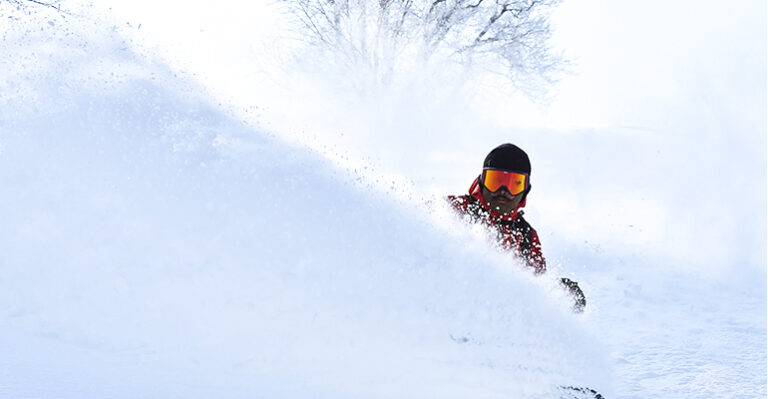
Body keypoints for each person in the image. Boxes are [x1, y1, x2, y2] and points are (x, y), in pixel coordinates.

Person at [447, 143, 586, 312]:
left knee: (569, 293)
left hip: (494, 316)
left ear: (525, 191)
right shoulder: (456, 209)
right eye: (495, 181)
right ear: (482, 181)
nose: (503, 191)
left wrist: (558, 293)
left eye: (514, 184)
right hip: (451, 305)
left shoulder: (526, 236)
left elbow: (535, 290)